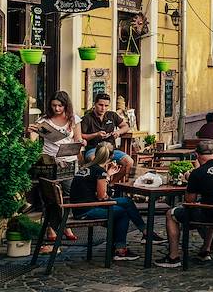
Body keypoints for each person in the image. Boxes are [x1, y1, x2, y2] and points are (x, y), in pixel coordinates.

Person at [71, 143, 163, 261]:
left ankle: (146, 233)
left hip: (82, 206)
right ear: (111, 157)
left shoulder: (86, 168)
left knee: (127, 201)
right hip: (86, 211)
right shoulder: (100, 172)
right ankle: (120, 250)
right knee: (122, 213)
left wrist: (108, 175)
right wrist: (107, 177)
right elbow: (102, 197)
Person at [155, 140, 213, 267]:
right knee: (207, 204)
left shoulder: (198, 173)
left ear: (197, 155)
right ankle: (205, 250)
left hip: (212, 215)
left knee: (171, 214)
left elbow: (189, 201)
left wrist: (191, 179)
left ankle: (173, 257)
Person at [27, 91, 83, 242]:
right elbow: (33, 141)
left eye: (60, 106)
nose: (57, 109)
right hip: (49, 161)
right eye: (54, 105)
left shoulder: (73, 119)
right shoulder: (44, 120)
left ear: (66, 105)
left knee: (68, 195)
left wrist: (81, 143)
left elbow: (78, 138)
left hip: (69, 161)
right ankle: (51, 228)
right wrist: (31, 133)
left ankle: (66, 225)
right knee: (50, 196)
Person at [80, 92, 133, 183]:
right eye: (100, 105)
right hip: (94, 150)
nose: (103, 108)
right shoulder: (87, 118)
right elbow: (81, 135)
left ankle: (112, 184)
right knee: (97, 162)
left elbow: (126, 126)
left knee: (129, 162)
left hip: (111, 150)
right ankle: (99, 185)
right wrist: (96, 134)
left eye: (106, 105)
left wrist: (118, 132)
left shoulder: (112, 115)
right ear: (94, 104)